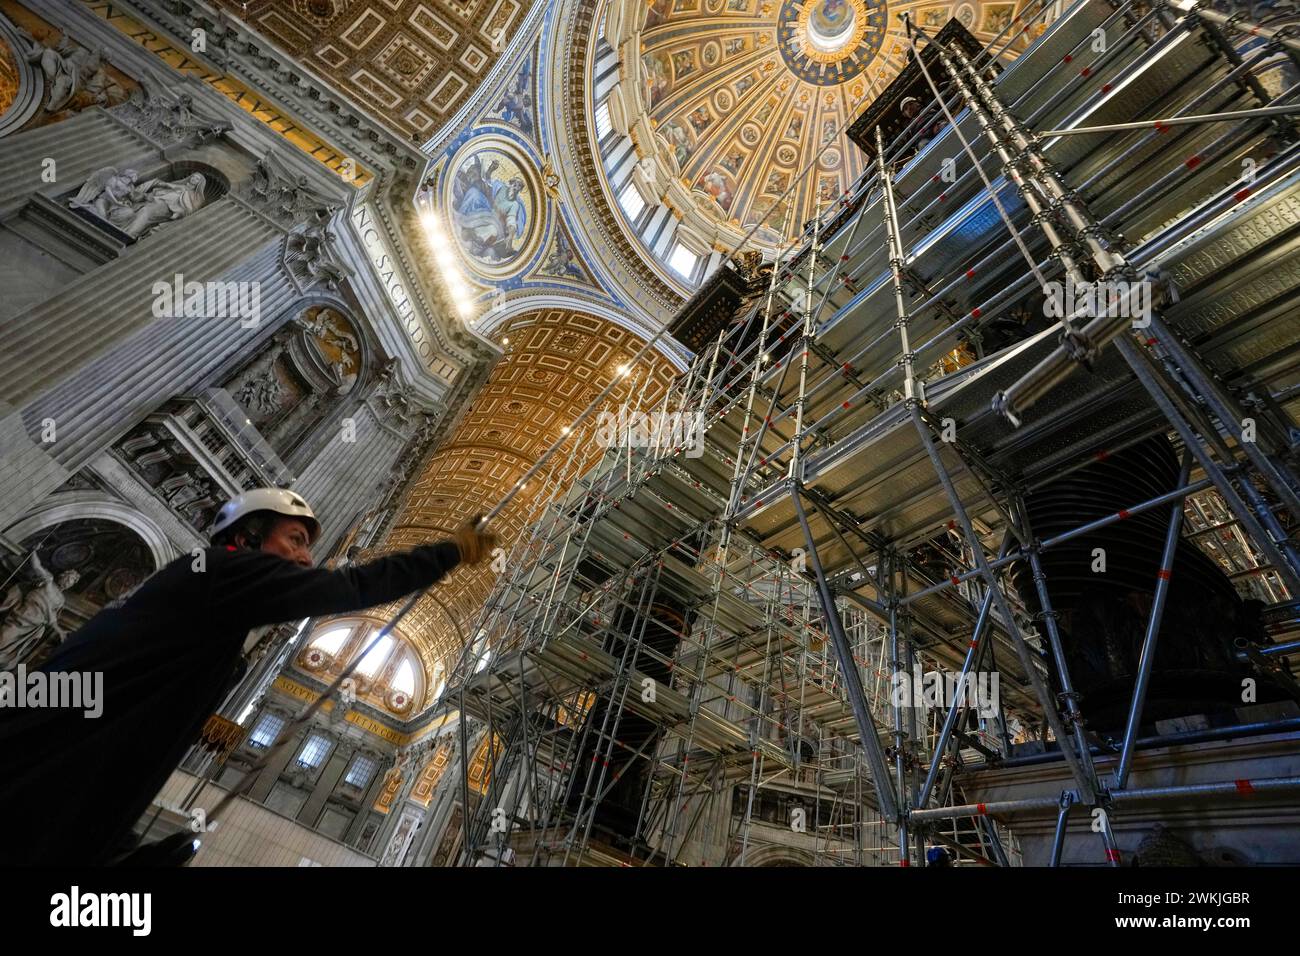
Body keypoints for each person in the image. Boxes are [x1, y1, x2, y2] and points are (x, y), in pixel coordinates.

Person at [0, 487, 497, 866]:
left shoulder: (202, 607)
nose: (306, 558)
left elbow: (132, 747)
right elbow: (350, 586)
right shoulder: (224, 569)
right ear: (248, 536)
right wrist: (450, 553)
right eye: (296, 540)